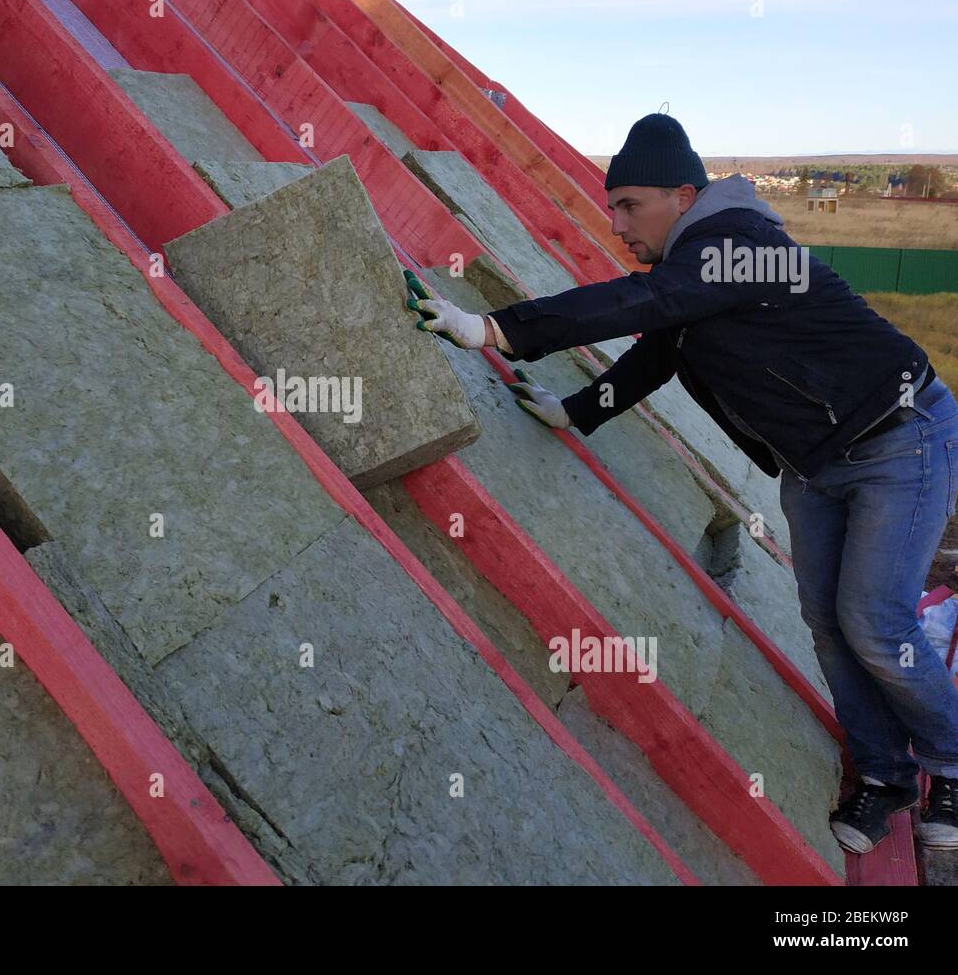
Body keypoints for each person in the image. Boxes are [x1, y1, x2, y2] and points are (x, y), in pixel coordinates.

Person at [407, 112, 958, 854]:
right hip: (817, 459)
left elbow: (646, 303)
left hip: (901, 436)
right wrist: (576, 412)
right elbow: (658, 348)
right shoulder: (693, 271)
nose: (618, 223)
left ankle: (949, 763)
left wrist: (495, 329)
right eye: (611, 208)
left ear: (684, 194)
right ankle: (886, 775)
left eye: (631, 205)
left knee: (874, 617)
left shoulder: (742, 247)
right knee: (827, 622)